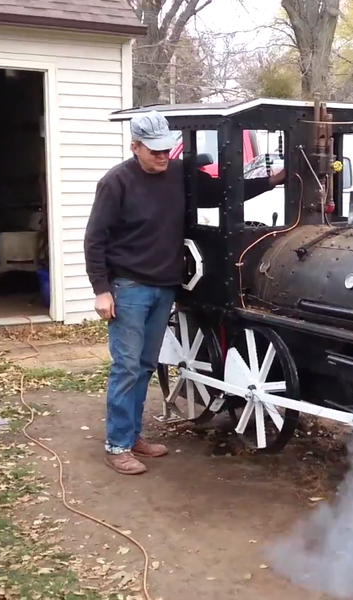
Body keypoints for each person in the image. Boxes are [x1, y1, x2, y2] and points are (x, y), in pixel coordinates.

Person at [84, 110, 286, 475]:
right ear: (135, 147)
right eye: (155, 151)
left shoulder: (178, 173)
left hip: (164, 287)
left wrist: (272, 181)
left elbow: (222, 192)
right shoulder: (115, 183)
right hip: (128, 288)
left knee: (145, 366)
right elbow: (95, 239)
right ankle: (116, 446)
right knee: (127, 367)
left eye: (166, 149)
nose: (163, 156)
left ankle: (132, 436)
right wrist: (102, 290)